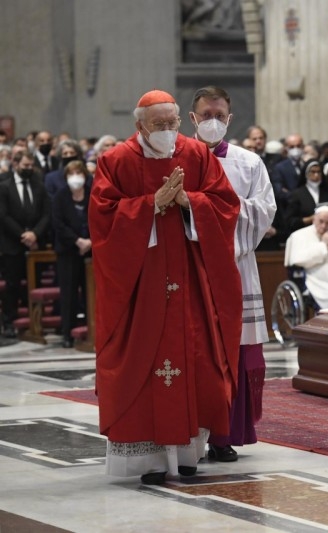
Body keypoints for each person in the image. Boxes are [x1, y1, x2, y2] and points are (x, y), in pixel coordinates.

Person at [89, 89, 242, 485]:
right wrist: (150, 205)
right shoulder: (116, 160)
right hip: (144, 287)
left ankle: (189, 453)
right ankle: (151, 461)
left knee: (197, 361)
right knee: (148, 361)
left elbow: (225, 204)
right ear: (139, 125)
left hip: (189, 281)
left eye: (173, 123)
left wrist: (190, 202)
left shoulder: (197, 154)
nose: (168, 131)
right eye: (159, 125)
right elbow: (102, 219)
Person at [189, 86, 277, 462]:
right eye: (205, 115)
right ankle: (189, 436)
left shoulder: (249, 162)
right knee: (196, 351)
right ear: (192, 119)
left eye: (219, 115)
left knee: (237, 353)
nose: (213, 122)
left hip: (238, 264)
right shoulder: (177, 158)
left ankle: (225, 435)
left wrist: (218, 214)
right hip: (192, 266)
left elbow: (264, 209)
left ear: (230, 118)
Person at [0, 151, 51, 337]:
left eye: (31, 166)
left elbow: (47, 213)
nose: (28, 169)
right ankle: (9, 322)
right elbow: (3, 215)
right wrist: (23, 235)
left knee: (34, 283)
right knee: (12, 285)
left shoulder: (39, 186)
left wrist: (35, 233)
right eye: (25, 166)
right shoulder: (5, 187)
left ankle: (35, 322)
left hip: (36, 244)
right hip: (12, 243)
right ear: (15, 164)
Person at [52, 159, 92, 348]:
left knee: (90, 292)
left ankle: (92, 330)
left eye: (78, 173)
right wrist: (78, 241)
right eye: (71, 174)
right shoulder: (61, 196)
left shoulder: (93, 193)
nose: (75, 177)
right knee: (68, 293)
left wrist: (90, 241)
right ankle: (67, 333)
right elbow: (58, 224)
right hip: (68, 251)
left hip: (91, 252)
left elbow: (100, 219)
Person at [285, 159, 328, 233]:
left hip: (325, 234)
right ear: (306, 173)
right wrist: (309, 219)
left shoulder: (326, 193)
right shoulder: (297, 194)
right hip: (304, 234)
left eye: (319, 172)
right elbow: (289, 222)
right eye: (313, 172)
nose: (316, 175)